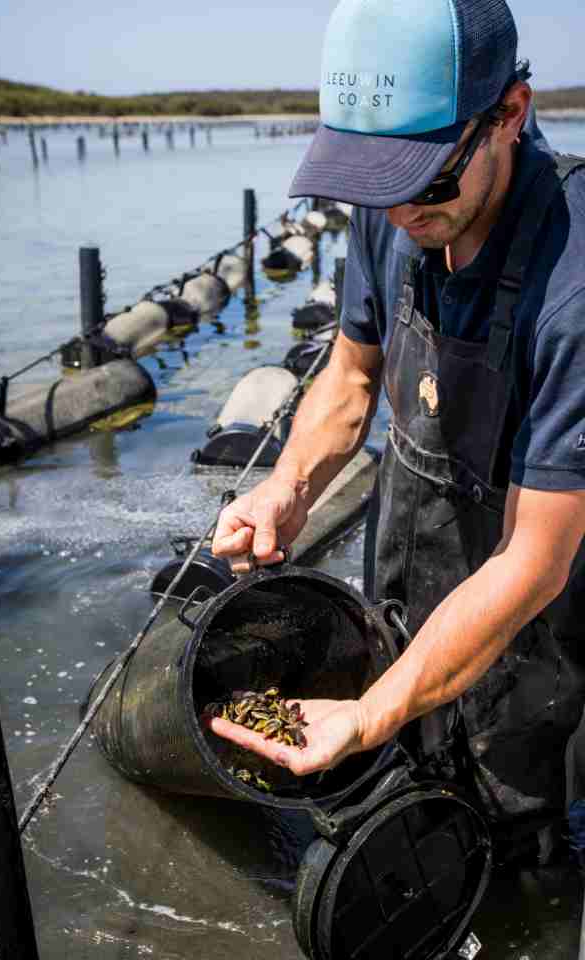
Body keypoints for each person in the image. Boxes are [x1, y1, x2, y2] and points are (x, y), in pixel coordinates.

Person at [210, 0, 585, 818]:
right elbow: (350, 375)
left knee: (521, 827)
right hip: (408, 572)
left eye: (426, 179)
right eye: (375, 183)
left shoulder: (575, 286)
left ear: (510, 115)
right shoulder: (392, 218)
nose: (403, 209)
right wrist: (289, 486)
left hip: (536, 624)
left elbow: (535, 561)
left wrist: (368, 714)